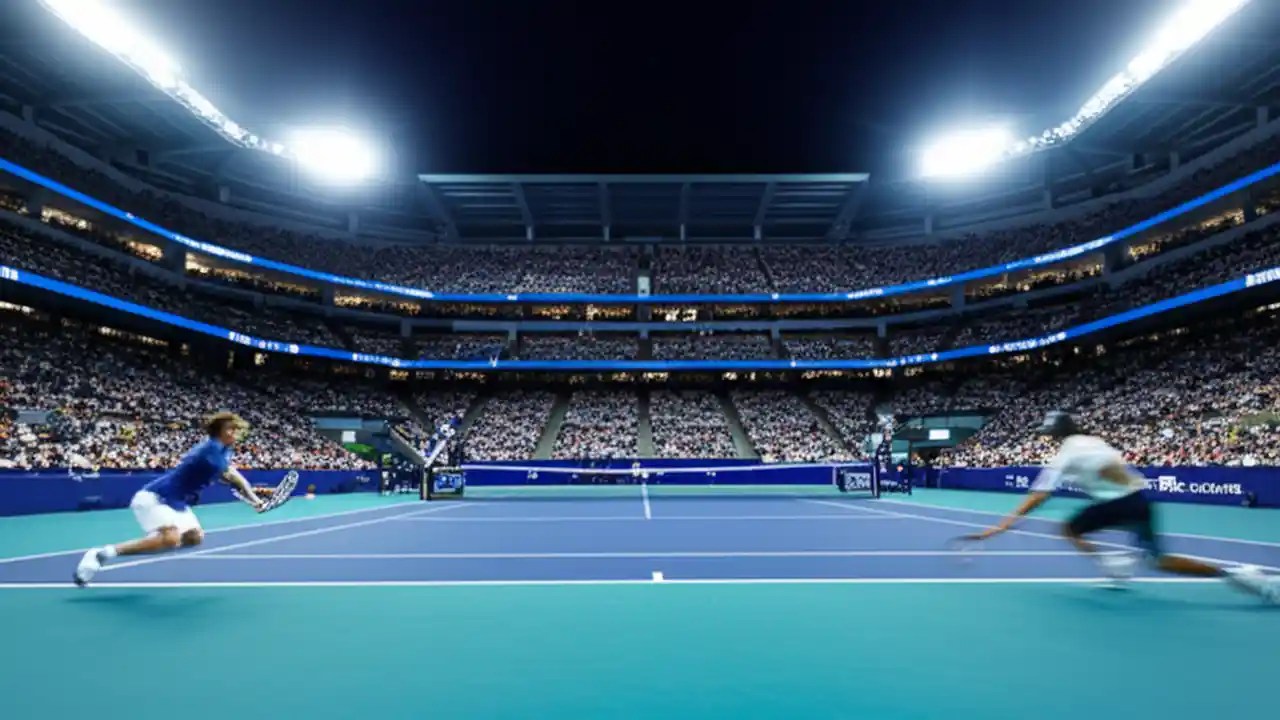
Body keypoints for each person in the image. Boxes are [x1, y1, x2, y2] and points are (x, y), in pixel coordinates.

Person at [969, 410, 1277, 603]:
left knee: (1069, 528)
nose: (1049, 440)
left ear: (1057, 434)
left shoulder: (1067, 452)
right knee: (1160, 561)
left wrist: (1003, 525)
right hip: (1139, 501)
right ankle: (1239, 575)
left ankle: (1113, 567)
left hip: (1117, 504)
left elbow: (1041, 495)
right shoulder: (1095, 441)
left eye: (1050, 435)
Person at [73, 412, 269, 587]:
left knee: (194, 538)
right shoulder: (211, 450)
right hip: (157, 497)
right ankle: (103, 553)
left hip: (178, 502)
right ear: (219, 431)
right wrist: (253, 498)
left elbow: (224, 478)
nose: (234, 433)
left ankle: (157, 540)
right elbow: (232, 477)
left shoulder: (225, 451)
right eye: (230, 429)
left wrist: (251, 495)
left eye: (236, 429)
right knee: (170, 538)